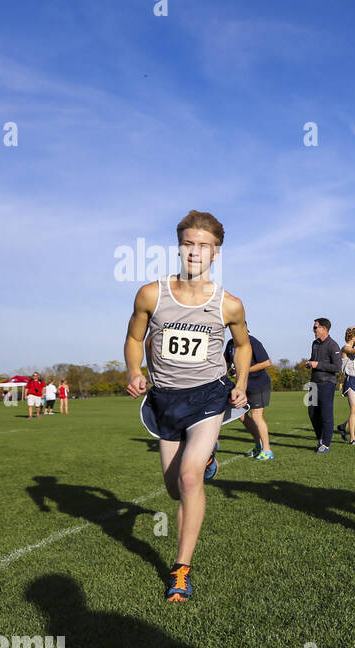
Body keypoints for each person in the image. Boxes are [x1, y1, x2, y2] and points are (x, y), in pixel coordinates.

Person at [124, 210, 250, 601]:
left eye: (204, 246)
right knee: (174, 490)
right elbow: (134, 338)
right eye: (189, 244)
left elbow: (243, 346)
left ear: (216, 253)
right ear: (179, 247)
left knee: (190, 478)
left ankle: (180, 570)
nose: (195, 252)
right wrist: (134, 371)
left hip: (208, 396)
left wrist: (241, 383)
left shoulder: (229, 304)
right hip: (165, 399)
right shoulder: (151, 294)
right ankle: (207, 459)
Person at [225, 329, 273, 459]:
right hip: (242, 387)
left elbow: (266, 362)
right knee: (240, 415)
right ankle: (258, 446)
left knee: (256, 415)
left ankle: (267, 450)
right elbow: (226, 364)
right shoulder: (230, 343)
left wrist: (242, 371)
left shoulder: (253, 342)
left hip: (259, 384)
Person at [305, 318, 343, 453]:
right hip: (313, 383)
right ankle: (321, 438)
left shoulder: (333, 345)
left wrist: (318, 365)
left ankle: (325, 444)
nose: (313, 330)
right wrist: (310, 363)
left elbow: (337, 367)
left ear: (324, 329)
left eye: (316, 327)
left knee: (326, 414)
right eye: (314, 327)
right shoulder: (314, 343)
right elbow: (315, 360)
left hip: (327, 383)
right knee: (312, 412)